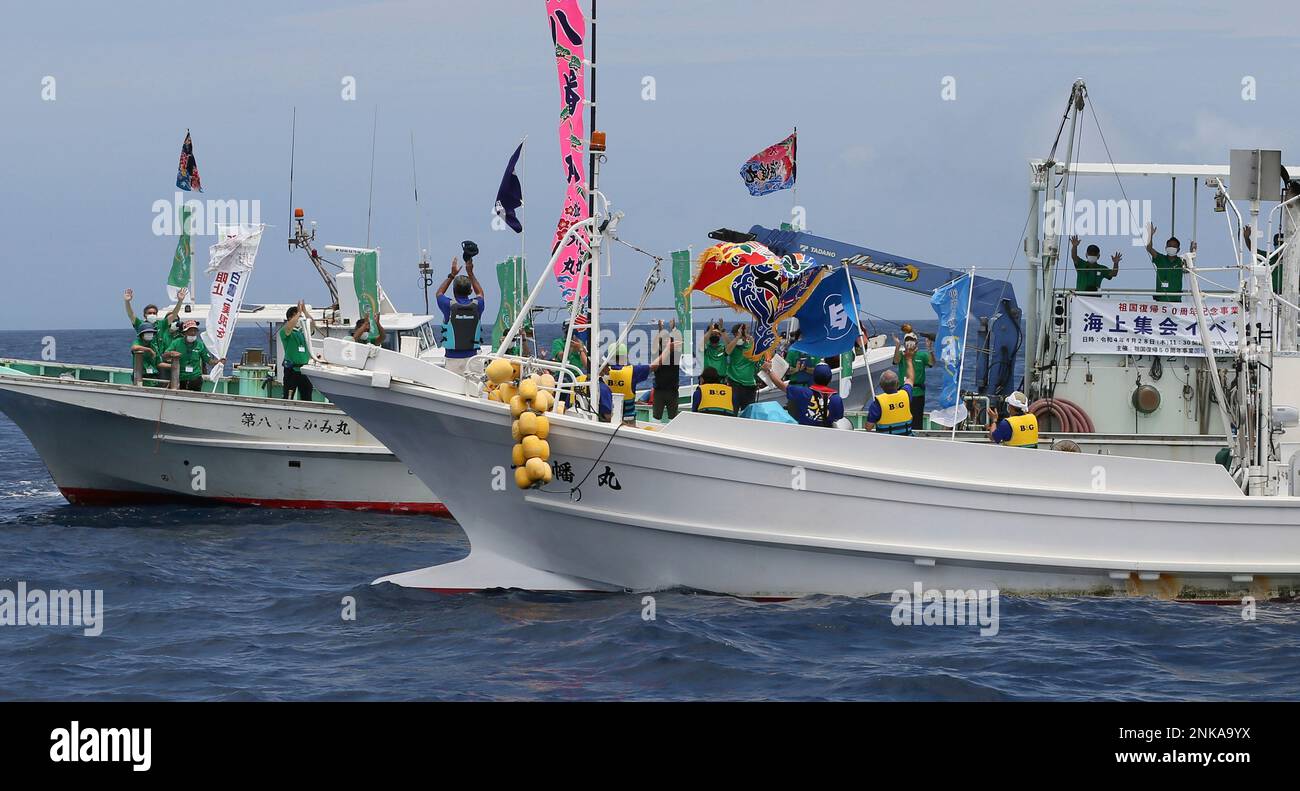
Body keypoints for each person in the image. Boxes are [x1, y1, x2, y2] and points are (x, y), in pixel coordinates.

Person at [436, 241, 486, 375]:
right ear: (470, 291)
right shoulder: (478, 305)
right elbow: (480, 294)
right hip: (473, 359)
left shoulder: (448, 306)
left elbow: (439, 293)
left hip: (453, 360)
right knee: (475, 393)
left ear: (453, 291)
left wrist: (451, 275)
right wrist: (471, 273)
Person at [601, 339, 678, 425]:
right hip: (628, 421)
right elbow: (654, 366)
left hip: (607, 420)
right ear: (624, 357)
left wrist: (582, 351)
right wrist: (667, 350)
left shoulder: (601, 372)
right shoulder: (632, 372)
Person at [765, 361, 843, 428]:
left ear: (814, 378)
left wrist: (769, 370)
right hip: (826, 436)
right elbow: (838, 417)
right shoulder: (836, 399)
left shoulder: (803, 393)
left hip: (804, 434)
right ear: (830, 379)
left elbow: (780, 385)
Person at [161, 320, 223, 391]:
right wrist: (171, 353)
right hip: (180, 378)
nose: (193, 333)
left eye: (195, 331)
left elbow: (209, 361)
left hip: (195, 378)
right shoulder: (176, 342)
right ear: (185, 332)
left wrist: (218, 361)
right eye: (190, 331)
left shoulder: (200, 345)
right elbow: (164, 355)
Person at [892, 330, 933, 431]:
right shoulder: (902, 355)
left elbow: (932, 363)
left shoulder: (922, 355)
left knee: (917, 420)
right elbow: (895, 361)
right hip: (903, 393)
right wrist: (897, 346)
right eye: (907, 340)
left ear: (916, 342)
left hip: (918, 393)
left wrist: (929, 349)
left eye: (912, 340)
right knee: (902, 419)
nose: (910, 342)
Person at [1145, 222, 1195, 303]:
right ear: (1166, 247)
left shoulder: (1181, 261)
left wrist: (1192, 252)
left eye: (1174, 246)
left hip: (1176, 301)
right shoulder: (1160, 258)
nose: (1171, 248)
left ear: (1178, 249)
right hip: (1160, 301)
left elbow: (1187, 269)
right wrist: (1150, 235)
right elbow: (1149, 249)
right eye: (1169, 246)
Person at [864, 355, 915, 434]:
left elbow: (868, 427)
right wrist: (909, 359)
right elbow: (910, 378)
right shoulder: (906, 394)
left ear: (881, 386)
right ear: (898, 384)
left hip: (885, 443)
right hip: (906, 440)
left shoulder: (877, 404)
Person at [281, 300, 315, 401]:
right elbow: (289, 326)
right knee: (288, 396)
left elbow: (312, 324)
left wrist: (304, 311)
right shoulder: (285, 331)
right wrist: (298, 312)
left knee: (307, 396)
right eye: (296, 317)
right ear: (290, 318)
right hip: (291, 370)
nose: (299, 319)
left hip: (304, 370)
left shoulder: (302, 332)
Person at [651, 319, 682, 421]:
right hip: (659, 390)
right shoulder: (658, 354)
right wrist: (660, 329)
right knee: (656, 417)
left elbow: (678, 341)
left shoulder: (676, 354)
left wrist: (673, 328)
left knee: (673, 418)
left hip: (672, 390)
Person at [725, 323, 760, 412]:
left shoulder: (751, 345)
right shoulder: (733, 346)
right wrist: (737, 338)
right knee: (732, 411)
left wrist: (748, 337)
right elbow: (727, 351)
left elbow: (759, 356)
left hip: (750, 385)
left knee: (748, 413)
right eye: (736, 335)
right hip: (735, 383)